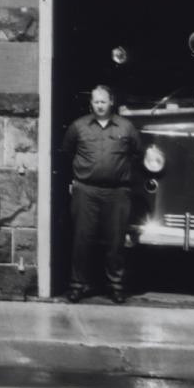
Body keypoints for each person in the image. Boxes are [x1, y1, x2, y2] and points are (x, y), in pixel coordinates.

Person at [59, 84, 143, 304]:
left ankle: (115, 286)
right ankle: (78, 285)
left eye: (103, 101)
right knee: (81, 240)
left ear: (111, 102)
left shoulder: (126, 127)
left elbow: (137, 153)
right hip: (86, 191)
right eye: (95, 101)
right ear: (91, 103)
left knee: (116, 242)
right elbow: (66, 153)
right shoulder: (78, 127)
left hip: (117, 192)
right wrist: (76, 181)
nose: (99, 105)